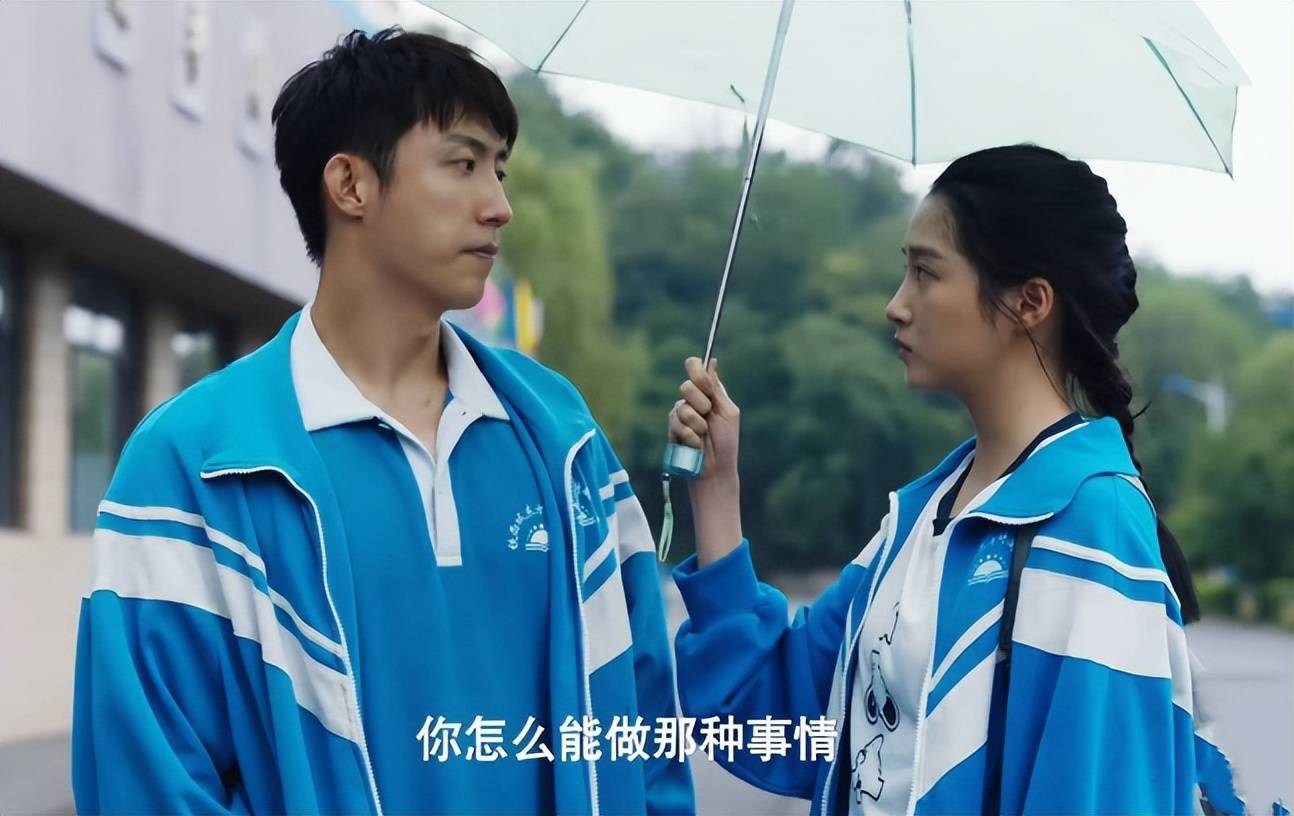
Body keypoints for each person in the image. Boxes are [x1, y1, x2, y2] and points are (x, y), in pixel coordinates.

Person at [72, 28, 693, 815]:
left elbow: (645, 729)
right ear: (351, 185)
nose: (499, 206)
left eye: (499, 170)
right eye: (463, 164)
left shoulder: (563, 439)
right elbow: (149, 780)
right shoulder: (195, 466)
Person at [666, 145, 1243, 815]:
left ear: (1029, 302)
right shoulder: (921, 520)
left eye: (925, 273)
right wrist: (717, 489)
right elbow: (777, 719)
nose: (896, 305)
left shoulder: (1092, 528)